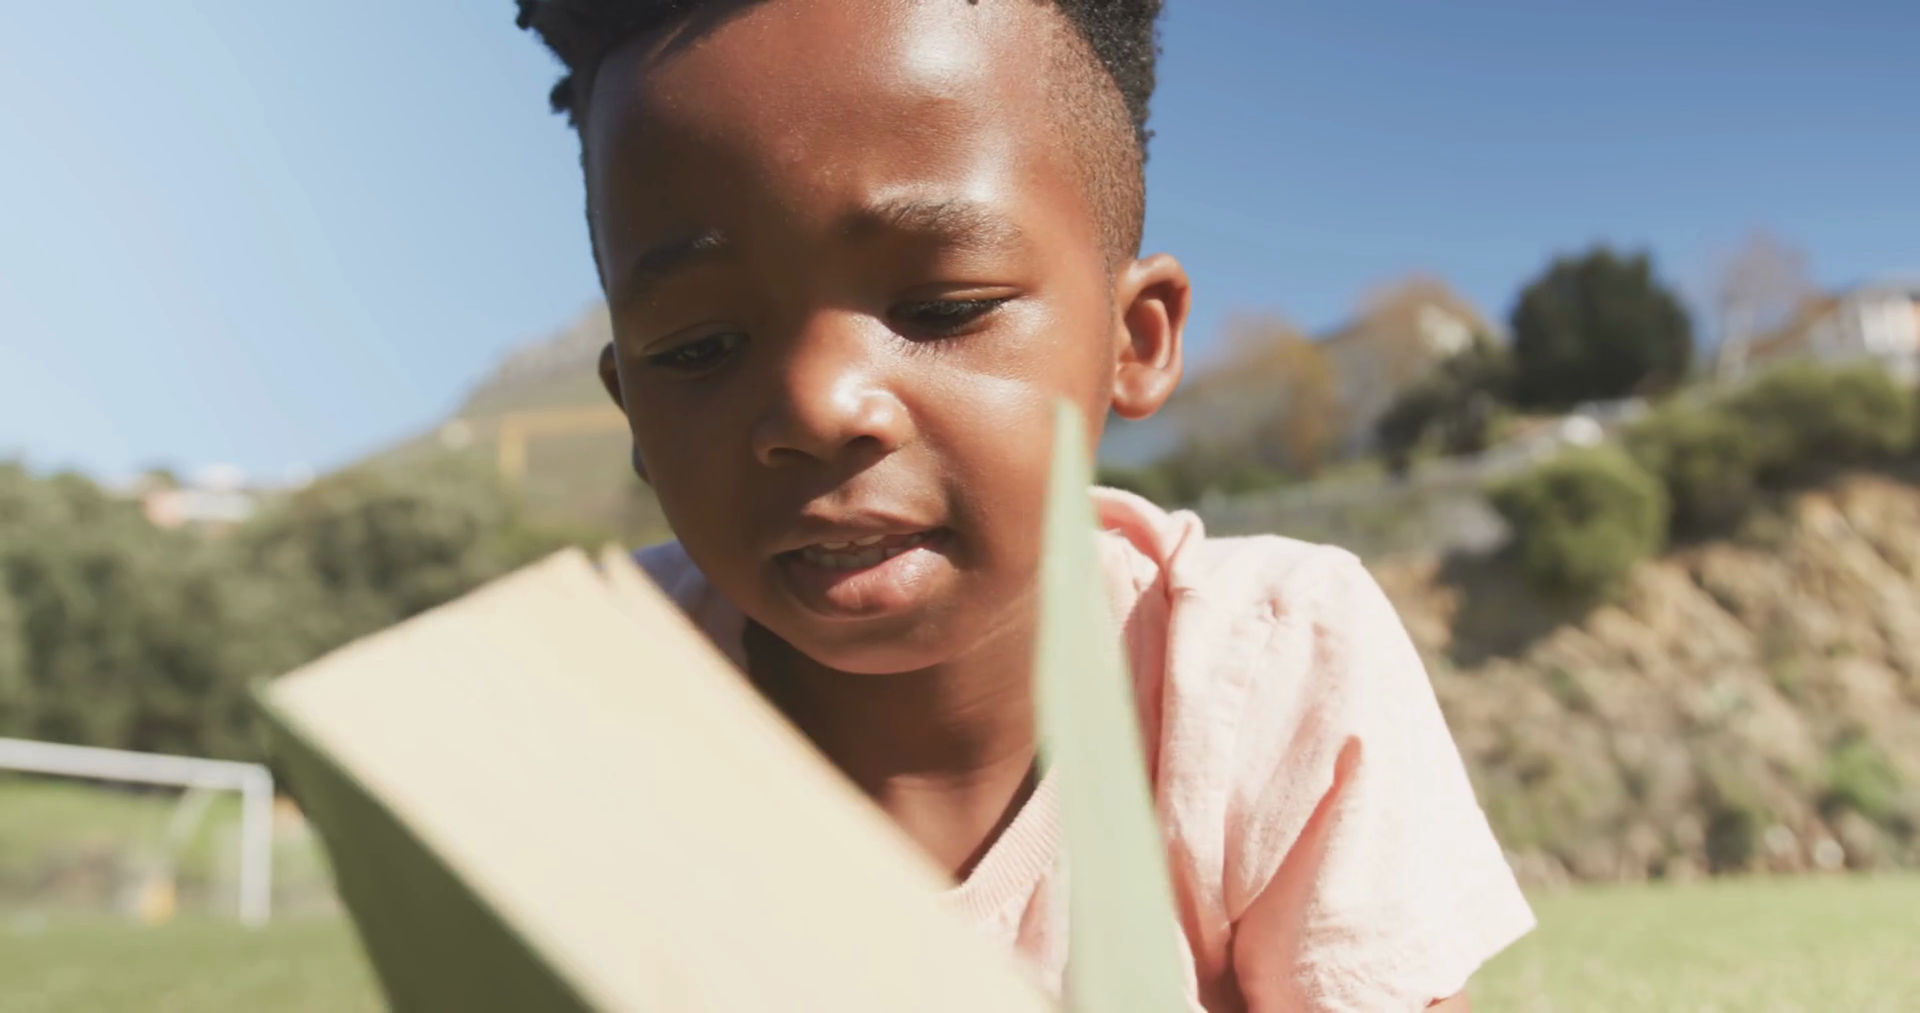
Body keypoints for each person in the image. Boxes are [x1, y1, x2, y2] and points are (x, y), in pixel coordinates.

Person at [515, 1, 1534, 1008]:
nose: (819, 406)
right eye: (698, 348)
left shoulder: (1266, 668)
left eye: (942, 308)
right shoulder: (570, 716)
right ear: (631, 409)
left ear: (1133, 341)